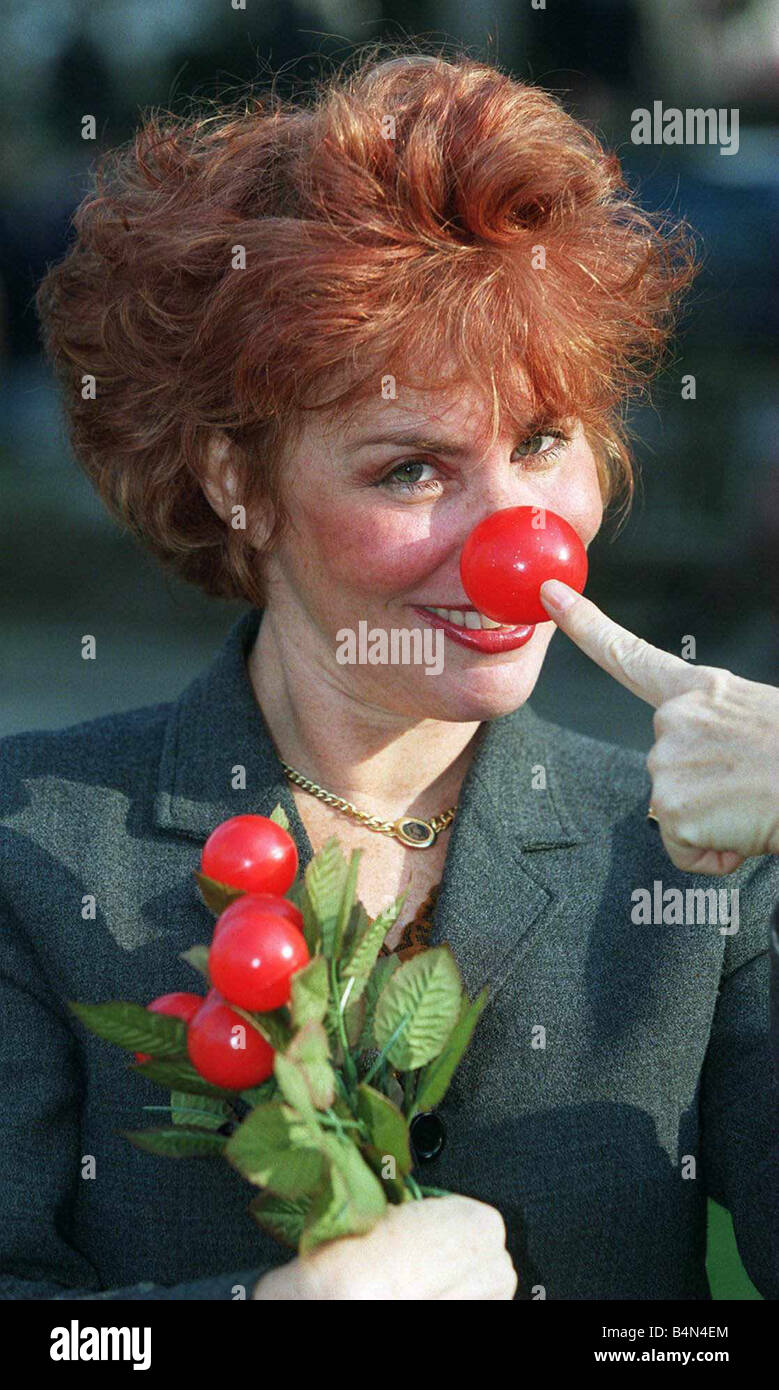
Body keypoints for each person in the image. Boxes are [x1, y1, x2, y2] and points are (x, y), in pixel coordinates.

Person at [2, 49, 776, 1301]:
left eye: (540, 442)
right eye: (409, 469)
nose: (518, 546)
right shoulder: (29, 853)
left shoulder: (694, 862)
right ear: (234, 483)